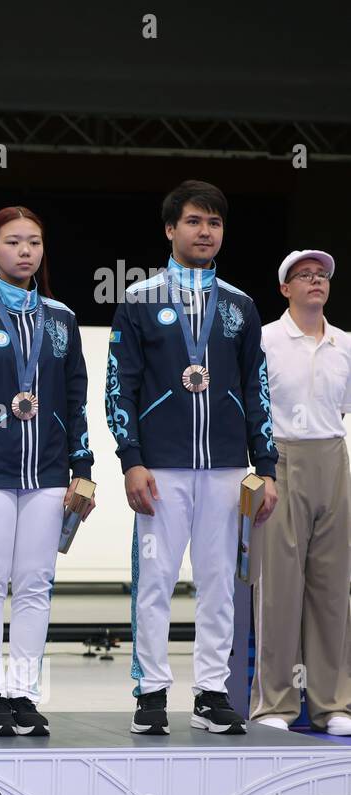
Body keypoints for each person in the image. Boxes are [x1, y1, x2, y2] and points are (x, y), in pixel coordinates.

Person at [106, 179, 277, 735]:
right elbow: (119, 388)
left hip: (227, 469)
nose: (205, 232)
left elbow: (258, 390)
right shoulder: (139, 301)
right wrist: (131, 460)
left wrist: (265, 467)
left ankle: (210, 693)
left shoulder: (240, 306)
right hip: (160, 470)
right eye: (195, 222)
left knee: (219, 583)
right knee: (154, 580)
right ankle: (151, 693)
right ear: (170, 230)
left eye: (215, 224)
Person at [0, 206, 94, 736]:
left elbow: (76, 400)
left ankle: (24, 692)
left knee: (35, 584)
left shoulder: (63, 319)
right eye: (13, 242)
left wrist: (84, 467)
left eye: (34, 242)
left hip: (51, 475)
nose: (25, 251)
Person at [251, 249, 351, 735]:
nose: (315, 281)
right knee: (278, 587)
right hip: (281, 459)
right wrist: (262, 467)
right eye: (303, 276)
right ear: (285, 288)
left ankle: (333, 702)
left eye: (321, 276)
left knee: (333, 588)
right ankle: (275, 702)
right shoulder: (267, 339)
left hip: (332, 457)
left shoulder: (344, 343)